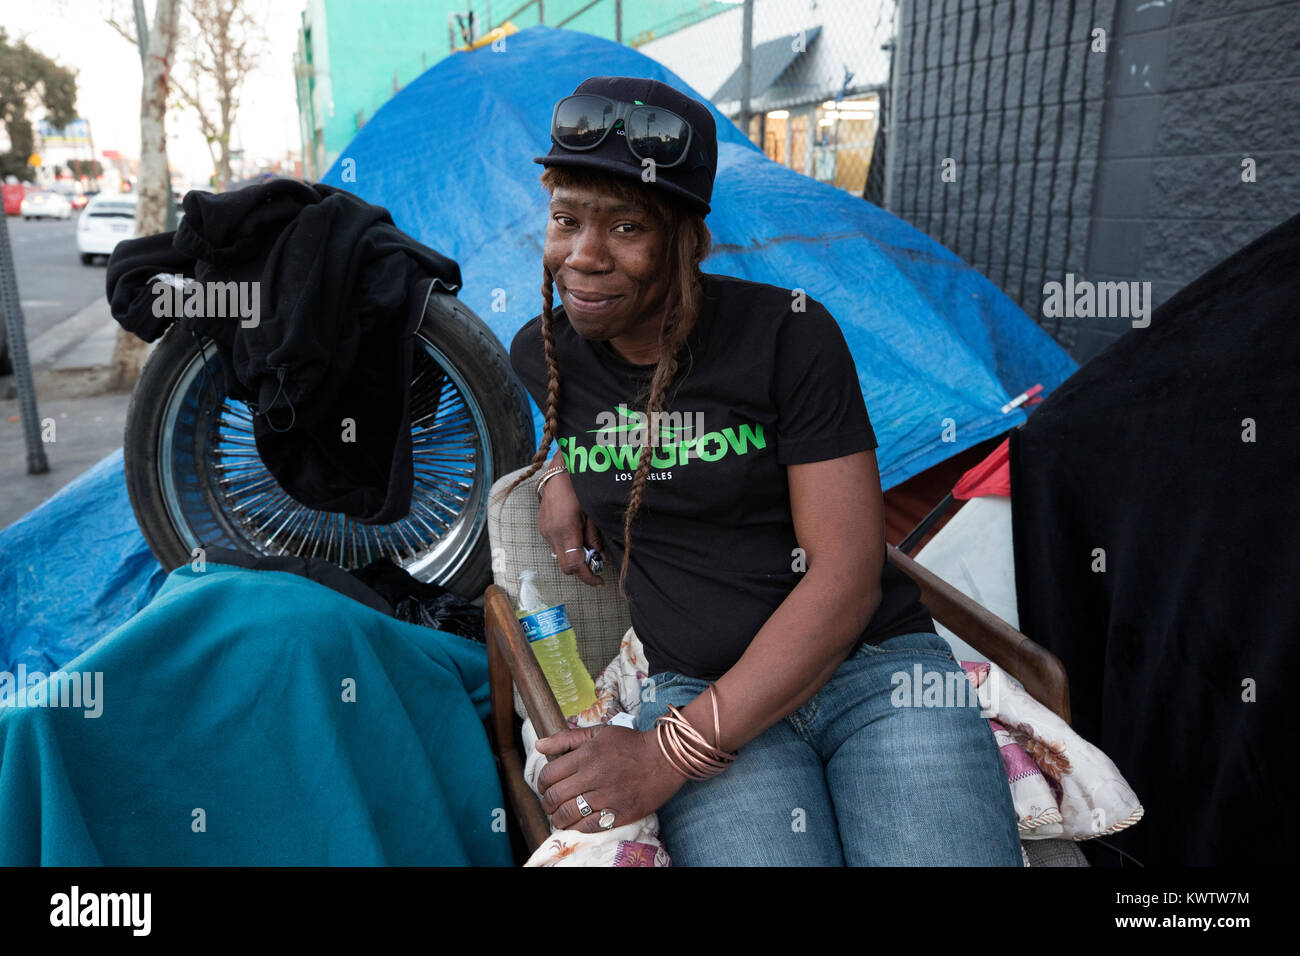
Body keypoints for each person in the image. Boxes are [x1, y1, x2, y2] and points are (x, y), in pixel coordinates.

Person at [504, 76, 1023, 866]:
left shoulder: (789, 337)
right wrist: (553, 476)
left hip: (874, 675)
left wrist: (665, 756)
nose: (583, 256)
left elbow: (844, 578)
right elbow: (554, 416)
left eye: (626, 227)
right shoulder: (547, 352)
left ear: (687, 241)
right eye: (566, 220)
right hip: (692, 679)